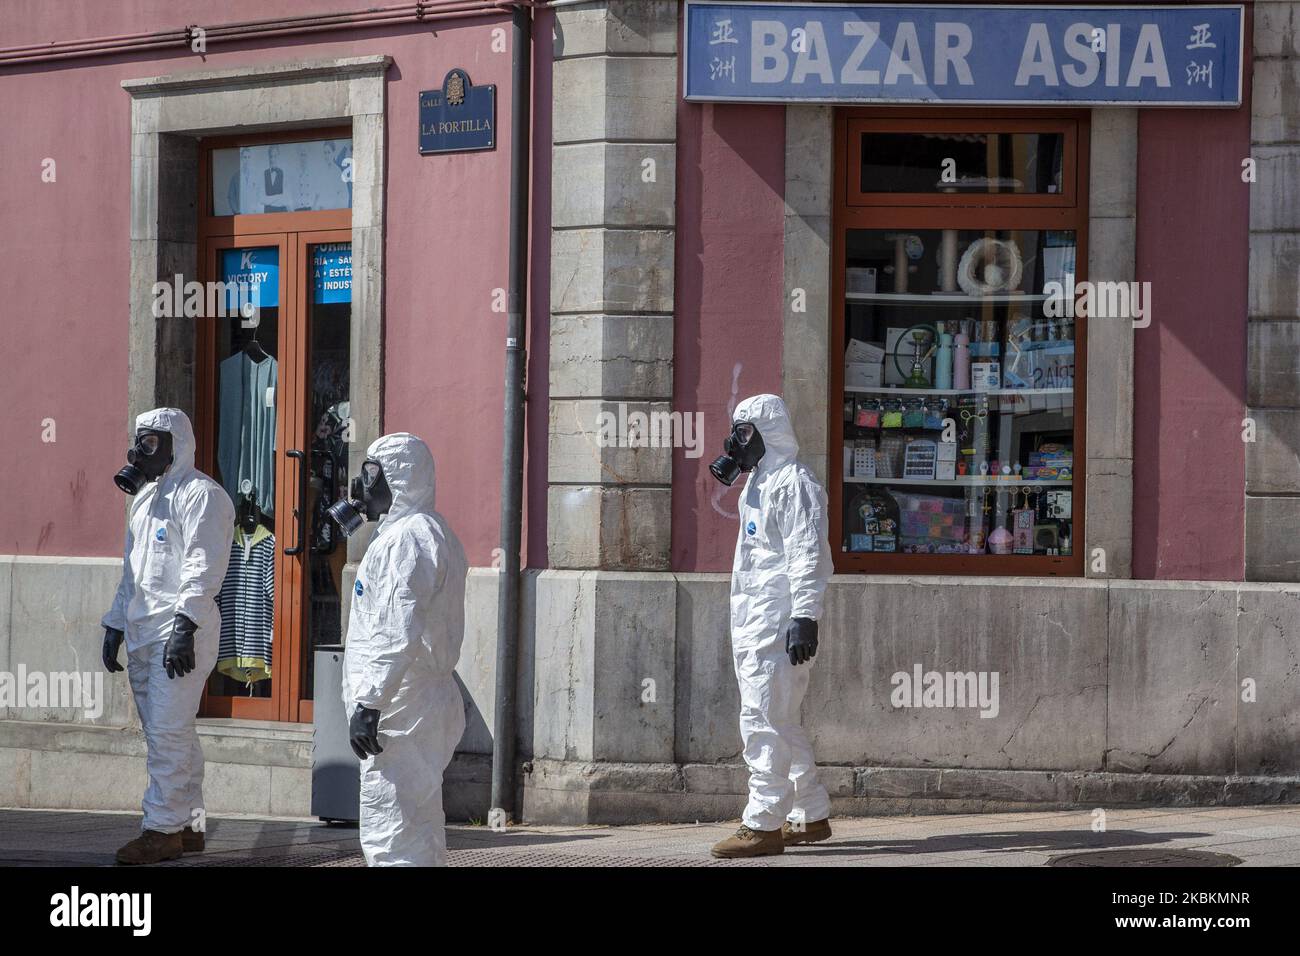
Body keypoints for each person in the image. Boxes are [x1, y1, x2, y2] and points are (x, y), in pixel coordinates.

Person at [103, 408, 235, 865]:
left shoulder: (203, 495)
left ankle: (160, 830)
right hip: (143, 631)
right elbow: (132, 570)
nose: (143, 450)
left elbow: (204, 564)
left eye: (153, 442)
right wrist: (115, 622)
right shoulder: (145, 499)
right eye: (141, 440)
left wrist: (186, 625)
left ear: (177, 443)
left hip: (178, 635)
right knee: (174, 734)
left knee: (166, 734)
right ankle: (190, 824)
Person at [329, 433, 467, 867]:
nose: (360, 489)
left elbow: (395, 630)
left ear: (400, 479)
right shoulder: (423, 531)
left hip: (401, 704)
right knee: (417, 816)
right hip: (413, 699)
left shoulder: (408, 539)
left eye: (372, 477)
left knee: (390, 818)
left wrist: (370, 701)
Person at [707, 394, 834, 858]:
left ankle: (762, 823)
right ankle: (810, 812)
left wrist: (804, 616)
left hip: (779, 621)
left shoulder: (794, 483)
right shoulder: (760, 480)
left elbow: (807, 556)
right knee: (780, 716)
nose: (736, 442)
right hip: (756, 616)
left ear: (769, 433)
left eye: (745, 433)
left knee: (762, 717)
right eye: (736, 432)